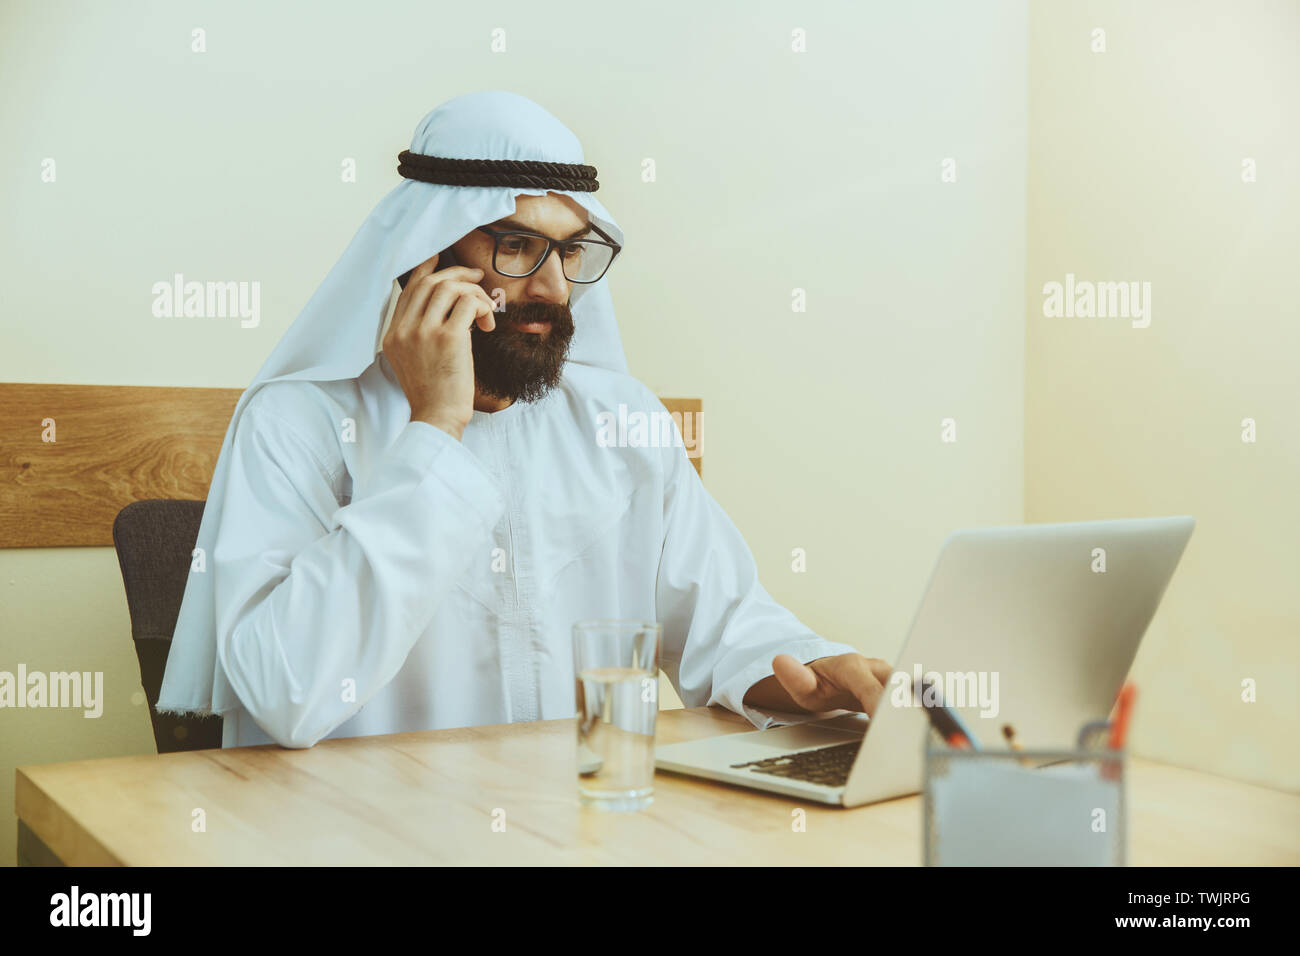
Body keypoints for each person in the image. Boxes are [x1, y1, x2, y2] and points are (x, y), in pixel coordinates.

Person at [157, 90, 892, 749]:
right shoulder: (295, 423)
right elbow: (285, 692)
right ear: (424, 257)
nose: (551, 286)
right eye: (516, 245)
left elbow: (724, 626)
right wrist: (435, 428)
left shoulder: (619, 419)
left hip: (578, 825)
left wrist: (812, 672)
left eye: (569, 251)